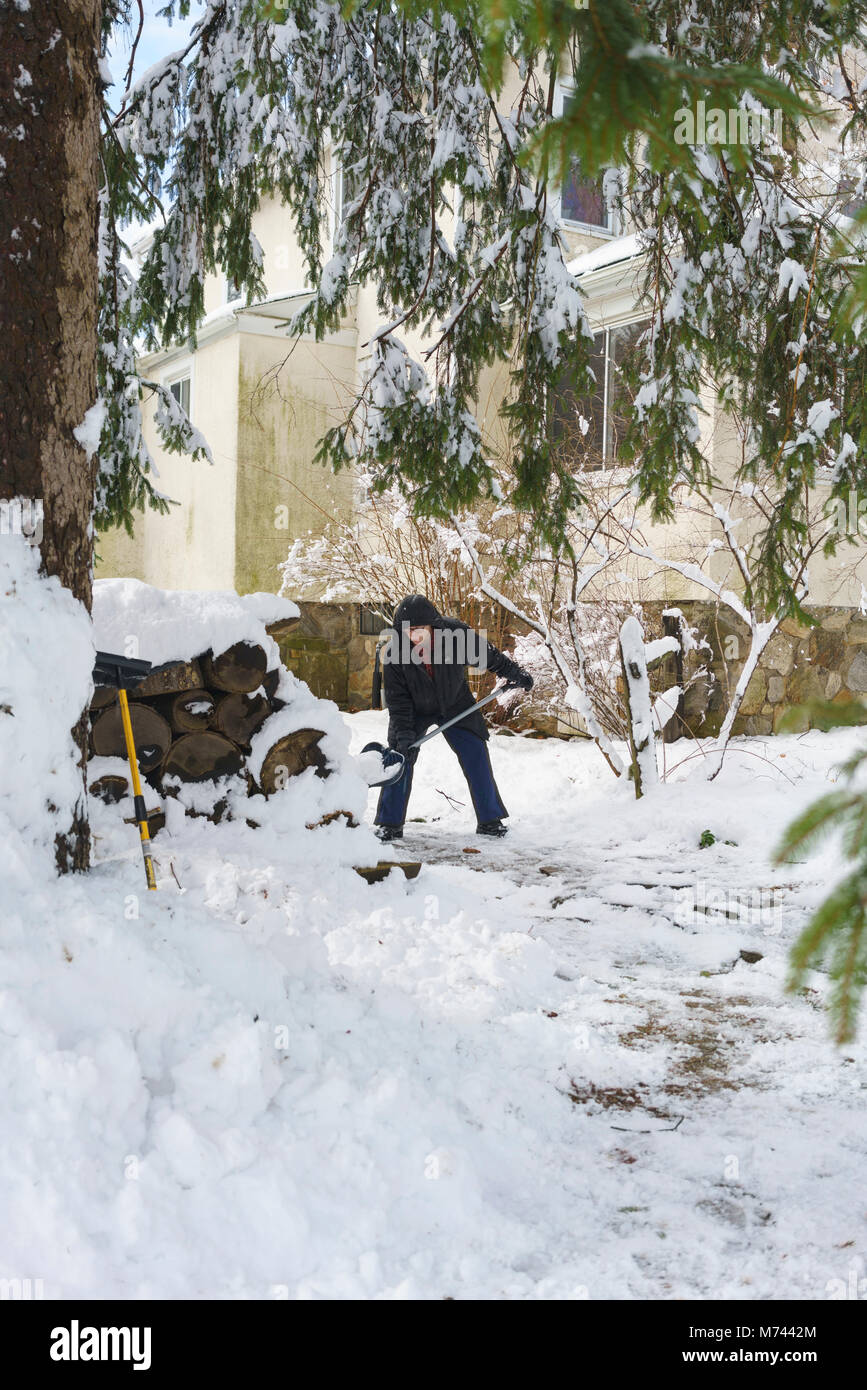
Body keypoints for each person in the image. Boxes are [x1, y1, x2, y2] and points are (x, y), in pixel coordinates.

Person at [375, 594, 533, 841]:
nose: (415, 635)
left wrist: (516, 673)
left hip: (455, 704)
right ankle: (389, 823)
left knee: (475, 752)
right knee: (399, 758)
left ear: (433, 625)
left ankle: (490, 820)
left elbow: (490, 656)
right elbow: (398, 701)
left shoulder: (456, 637)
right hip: (413, 711)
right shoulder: (395, 653)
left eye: (420, 629)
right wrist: (404, 735)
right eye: (409, 630)